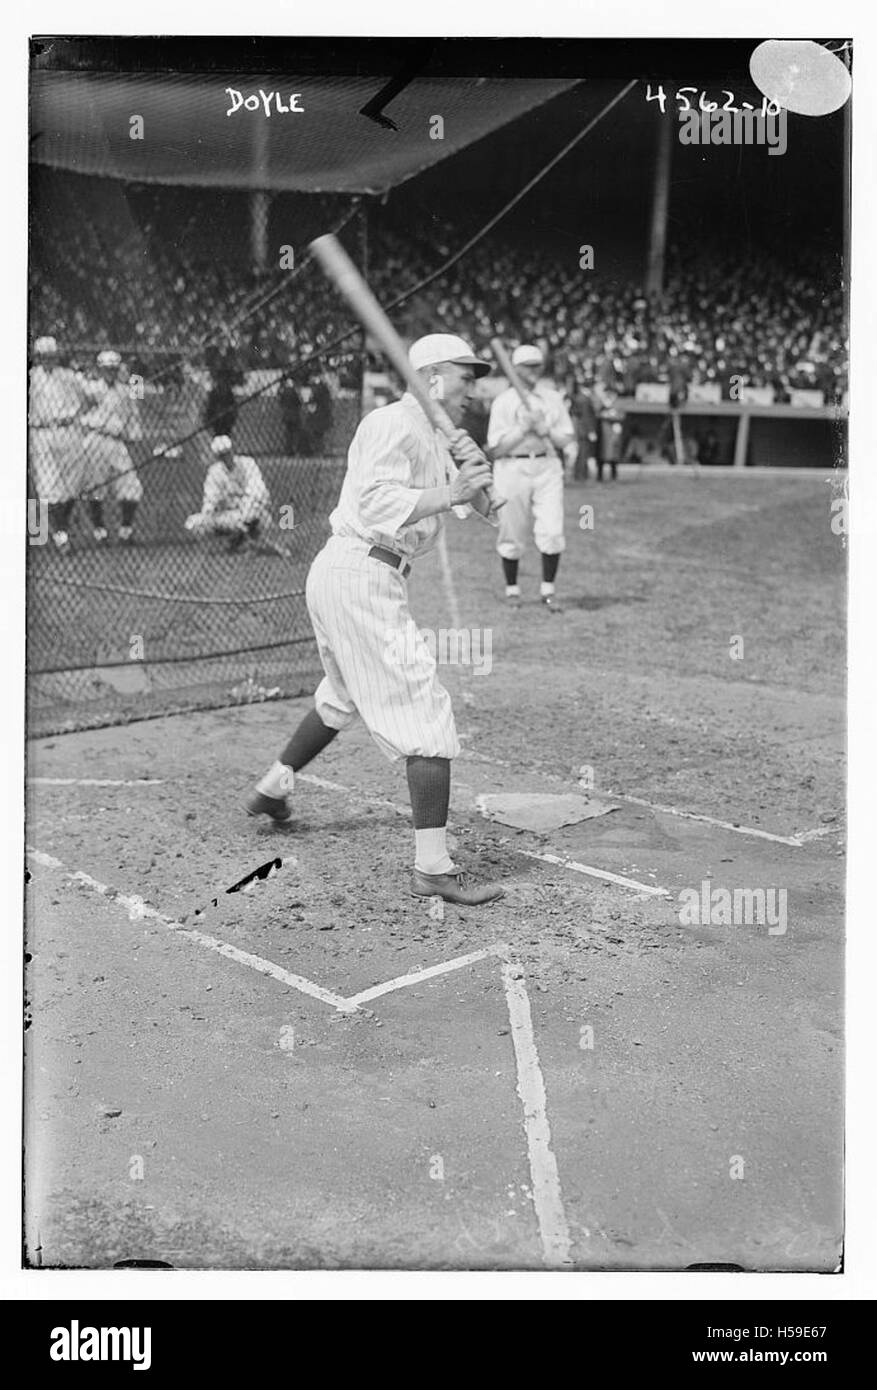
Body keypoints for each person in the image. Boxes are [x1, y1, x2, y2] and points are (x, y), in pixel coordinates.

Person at [246, 332, 504, 907]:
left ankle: (273, 787)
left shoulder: (437, 436)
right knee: (426, 713)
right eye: (465, 377)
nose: (472, 390)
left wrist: (479, 480)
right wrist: (454, 486)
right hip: (363, 569)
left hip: (356, 575)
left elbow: (473, 508)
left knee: (342, 696)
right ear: (433, 377)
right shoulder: (390, 422)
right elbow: (377, 502)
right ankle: (433, 867)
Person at [486, 344, 575, 611]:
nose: (533, 370)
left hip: (547, 466)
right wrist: (523, 429)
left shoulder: (552, 398)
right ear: (515, 368)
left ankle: (548, 590)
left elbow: (567, 437)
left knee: (552, 529)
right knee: (511, 531)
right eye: (527, 366)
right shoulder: (503, 402)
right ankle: (512, 590)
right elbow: (496, 449)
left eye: (537, 365)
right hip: (512, 468)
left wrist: (545, 429)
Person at [79, 350, 144, 543]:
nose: (110, 372)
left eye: (113, 369)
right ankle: (99, 531)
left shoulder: (125, 391)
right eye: (106, 369)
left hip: (117, 442)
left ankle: (126, 530)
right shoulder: (90, 389)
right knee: (95, 486)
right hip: (96, 439)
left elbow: (134, 413)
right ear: (99, 369)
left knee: (132, 486)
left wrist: (134, 434)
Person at [27, 336, 86, 548]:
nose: (48, 360)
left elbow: (90, 393)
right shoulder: (30, 378)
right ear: (37, 357)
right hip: (41, 432)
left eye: (51, 356)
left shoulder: (69, 376)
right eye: (43, 356)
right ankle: (47, 534)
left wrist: (136, 386)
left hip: (69, 431)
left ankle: (53, 530)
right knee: (45, 485)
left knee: (72, 485)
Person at [185, 435, 272, 549]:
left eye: (227, 452)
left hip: (249, 511)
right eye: (222, 454)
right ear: (217, 456)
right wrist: (208, 512)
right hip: (228, 516)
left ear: (232, 450)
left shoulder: (248, 463)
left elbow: (257, 490)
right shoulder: (214, 472)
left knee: (256, 517)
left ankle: (241, 533)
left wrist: (245, 512)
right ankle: (239, 534)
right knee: (193, 524)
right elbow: (210, 498)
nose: (226, 457)